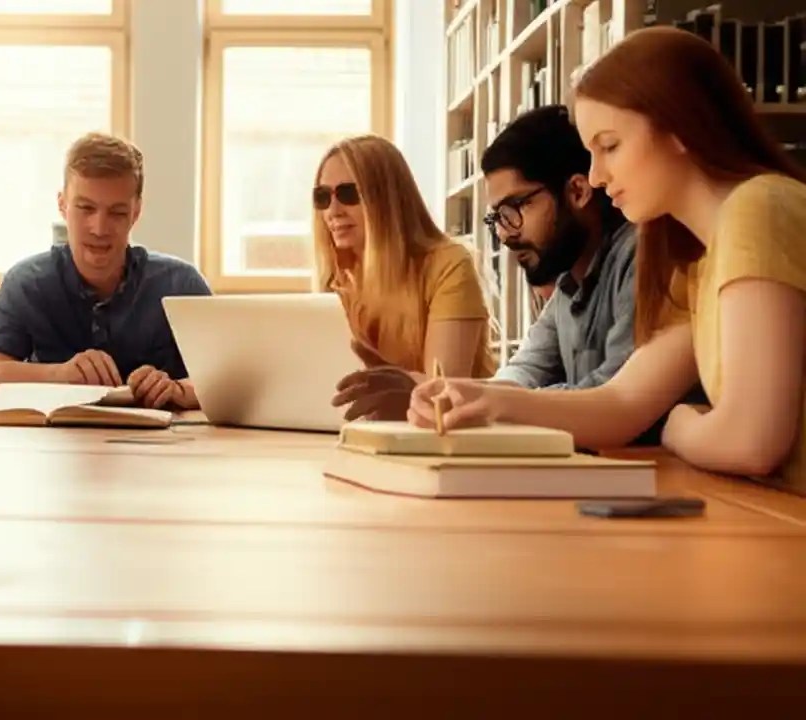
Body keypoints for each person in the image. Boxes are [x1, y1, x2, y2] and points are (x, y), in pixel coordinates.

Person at [408, 27, 806, 492]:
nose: (595, 177)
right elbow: (621, 404)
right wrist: (484, 398)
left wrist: (680, 424)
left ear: (678, 127)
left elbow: (750, 441)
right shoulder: (694, 260)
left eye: (610, 145)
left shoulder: (756, 208)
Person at [0, 132, 211, 410]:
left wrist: (178, 390)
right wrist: (59, 375)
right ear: (62, 205)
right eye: (85, 208)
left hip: (166, 446)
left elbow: (227, 379)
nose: (100, 228)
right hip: (51, 446)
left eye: (117, 213)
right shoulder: (25, 283)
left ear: (136, 212)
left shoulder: (182, 285)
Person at [320, 135, 495, 421]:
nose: (332, 211)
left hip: (447, 440)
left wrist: (392, 379)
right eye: (323, 197)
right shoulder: (338, 277)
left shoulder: (448, 265)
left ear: (387, 198)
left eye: (348, 194)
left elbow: (444, 393)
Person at [481, 104, 636, 390]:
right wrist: (451, 395)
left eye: (515, 207)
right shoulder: (567, 285)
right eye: (498, 217)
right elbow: (525, 370)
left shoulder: (637, 257)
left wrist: (492, 403)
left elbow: (611, 396)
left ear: (577, 191)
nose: (504, 234)